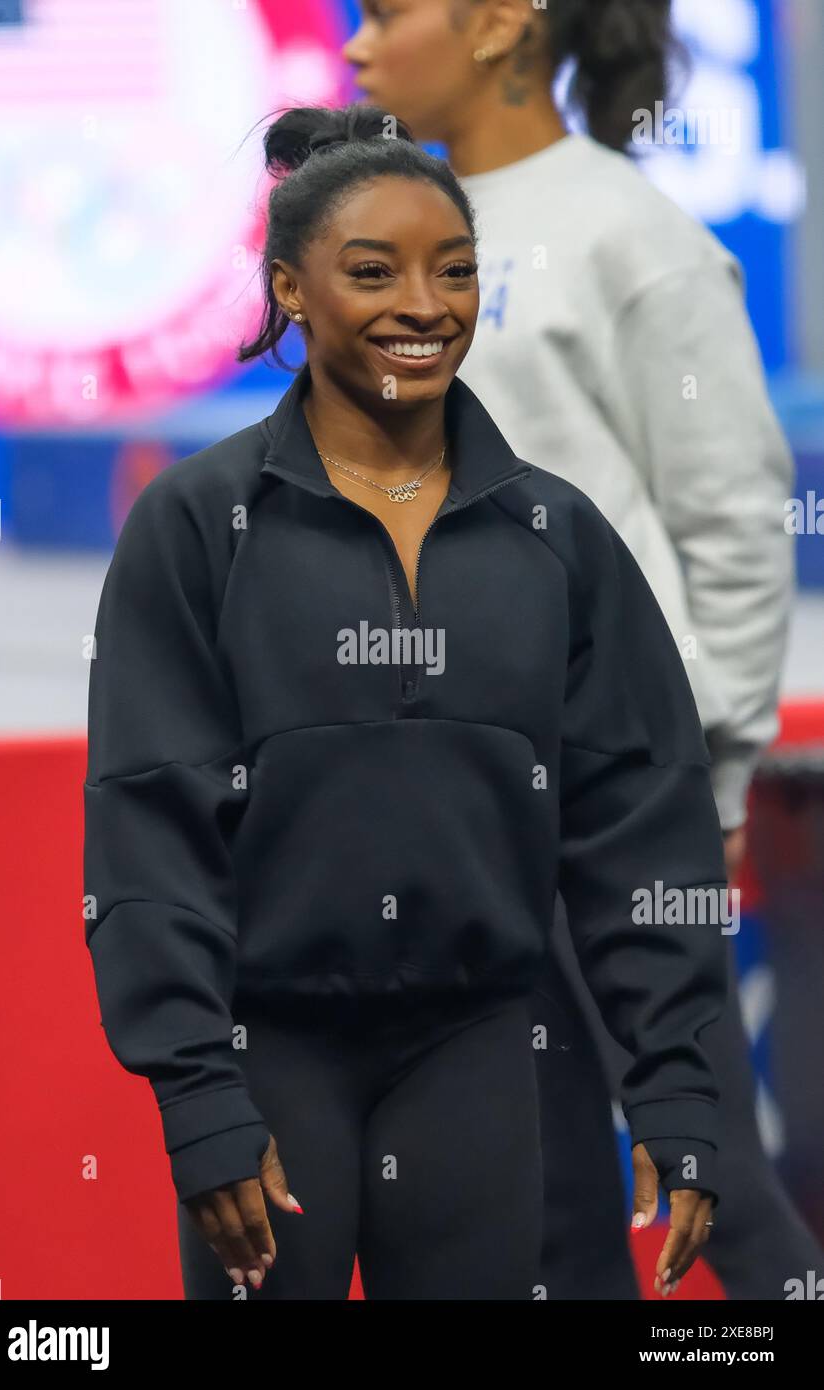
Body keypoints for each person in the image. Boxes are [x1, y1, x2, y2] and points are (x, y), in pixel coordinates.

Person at [82, 102, 730, 1301]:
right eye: (370, 271)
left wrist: (677, 1084)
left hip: (481, 1048)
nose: (422, 305)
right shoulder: (195, 526)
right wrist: (199, 1096)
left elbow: (642, 822)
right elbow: (146, 824)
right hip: (263, 1052)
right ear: (287, 288)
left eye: (455, 270)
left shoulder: (557, 538)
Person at [342, 0, 823, 1299]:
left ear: (502, 24)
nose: (355, 45)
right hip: (440, 806)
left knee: (710, 1176)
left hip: (610, 799)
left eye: (387, 14)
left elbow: (728, 522)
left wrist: (705, 783)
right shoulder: (382, 232)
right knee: (535, 1206)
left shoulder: (627, 235)